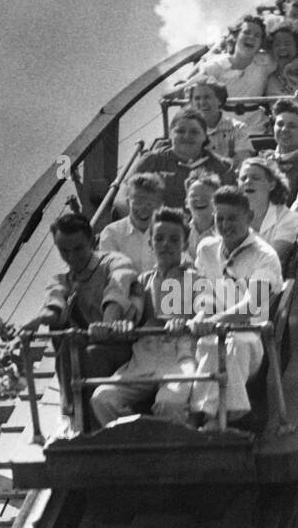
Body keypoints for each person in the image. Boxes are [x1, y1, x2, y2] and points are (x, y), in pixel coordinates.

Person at [21, 211, 138, 431]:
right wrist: (36, 321)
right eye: (64, 251)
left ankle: (95, 430)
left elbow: (117, 291)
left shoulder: (113, 262)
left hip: (121, 344)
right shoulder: (64, 279)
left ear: (92, 241)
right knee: (68, 345)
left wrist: (107, 323)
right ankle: (73, 416)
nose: (72, 258)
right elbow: (55, 304)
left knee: (94, 354)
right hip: (86, 346)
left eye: (78, 249)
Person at [90, 208, 199, 428]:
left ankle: (177, 452)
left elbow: (206, 308)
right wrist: (119, 325)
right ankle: (135, 443)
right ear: (150, 243)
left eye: (173, 239)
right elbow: (133, 312)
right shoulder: (142, 281)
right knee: (103, 398)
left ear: (185, 245)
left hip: (180, 355)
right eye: (159, 238)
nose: (165, 244)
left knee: (170, 402)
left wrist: (186, 322)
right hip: (144, 357)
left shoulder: (195, 278)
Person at [190, 186, 284, 429]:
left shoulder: (266, 255)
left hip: (250, 337)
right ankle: (201, 418)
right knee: (206, 344)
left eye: (232, 218)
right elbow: (204, 293)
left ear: (249, 217)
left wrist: (216, 320)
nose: (225, 225)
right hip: (213, 334)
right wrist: (203, 315)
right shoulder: (206, 249)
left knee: (234, 345)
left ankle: (222, 418)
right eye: (219, 218)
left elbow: (253, 304)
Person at [128, 110, 234, 208]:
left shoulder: (223, 167)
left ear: (205, 136)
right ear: (170, 134)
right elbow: (122, 198)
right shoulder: (152, 161)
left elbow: (232, 205)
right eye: (180, 131)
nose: (187, 136)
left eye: (194, 132)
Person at [195, 14, 275, 101]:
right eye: (246, 32)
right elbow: (190, 87)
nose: (251, 37)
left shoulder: (265, 62)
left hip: (256, 114)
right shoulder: (217, 65)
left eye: (257, 36)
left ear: (260, 43)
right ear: (235, 36)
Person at [98, 171, 164, 274]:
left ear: (160, 205)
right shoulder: (111, 234)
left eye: (150, 204)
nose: (143, 209)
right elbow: (112, 276)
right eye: (138, 203)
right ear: (128, 203)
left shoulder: (171, 232)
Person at [237, 156, 298, 261]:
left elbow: (271, 259)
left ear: (271, 185)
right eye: (243, 178)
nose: (248, 182)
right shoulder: (228, 215)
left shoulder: (287, 218)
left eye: (255, 178)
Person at [186, 77, 254, 165]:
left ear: (220, 100)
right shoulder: (185, 131)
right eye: (197, 98)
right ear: (191, 103)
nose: (202, 103)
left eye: (207, 97)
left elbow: (242, 162)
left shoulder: (237, 128)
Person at [185, 170, 221, 258]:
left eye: (206, 196)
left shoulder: (224, 233)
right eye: (194, 196)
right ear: (186, 203)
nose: (200, 199)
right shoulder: (181, 232)